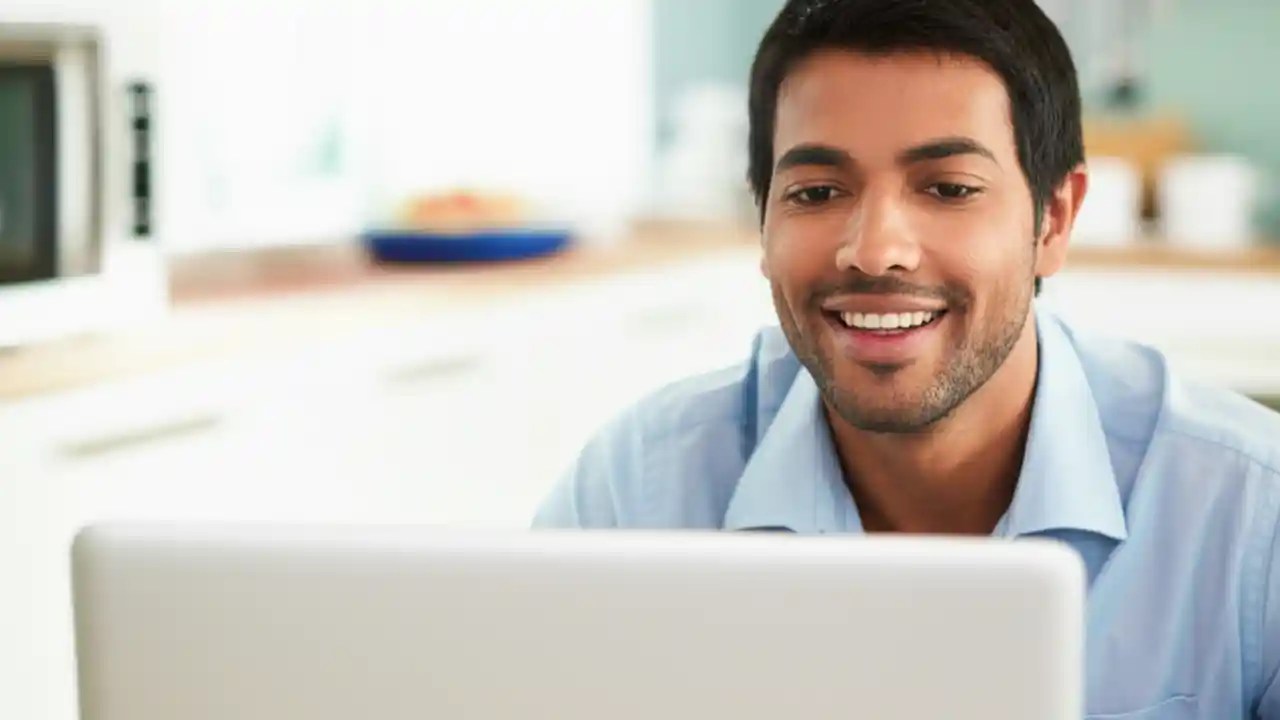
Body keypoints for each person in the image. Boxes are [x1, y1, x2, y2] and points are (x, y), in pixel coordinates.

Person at [534, 0, 1280, 716]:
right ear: (761, 222)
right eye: (816, 192)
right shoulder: (635, 497)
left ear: (1053, 220)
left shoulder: (1251, 515)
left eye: (949, 188)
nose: (875, 250)